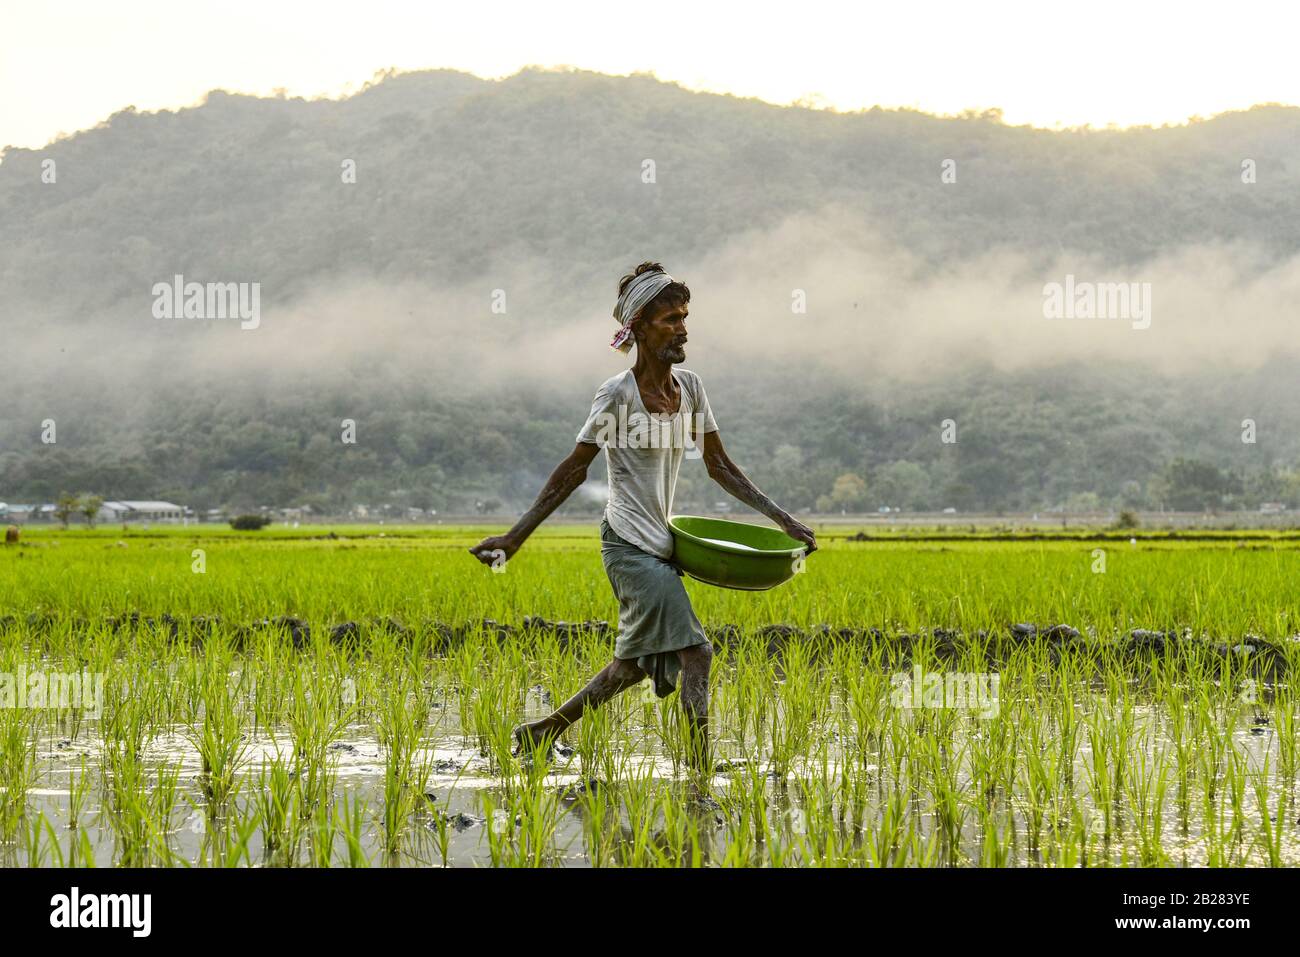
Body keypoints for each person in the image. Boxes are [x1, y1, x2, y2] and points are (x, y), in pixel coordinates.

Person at [469, 261, 816, 776]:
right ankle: (700, 769)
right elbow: (574, 470)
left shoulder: (691, 388)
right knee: (697, 652)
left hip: (663, 543)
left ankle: (541, 733)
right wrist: (515, 538)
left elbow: (719, 465)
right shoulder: (618, 395)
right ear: (637, 329)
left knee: (634, 666)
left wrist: (782, 519)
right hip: (628, 545)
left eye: (684, 317)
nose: (682, 328)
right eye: (670, 319)